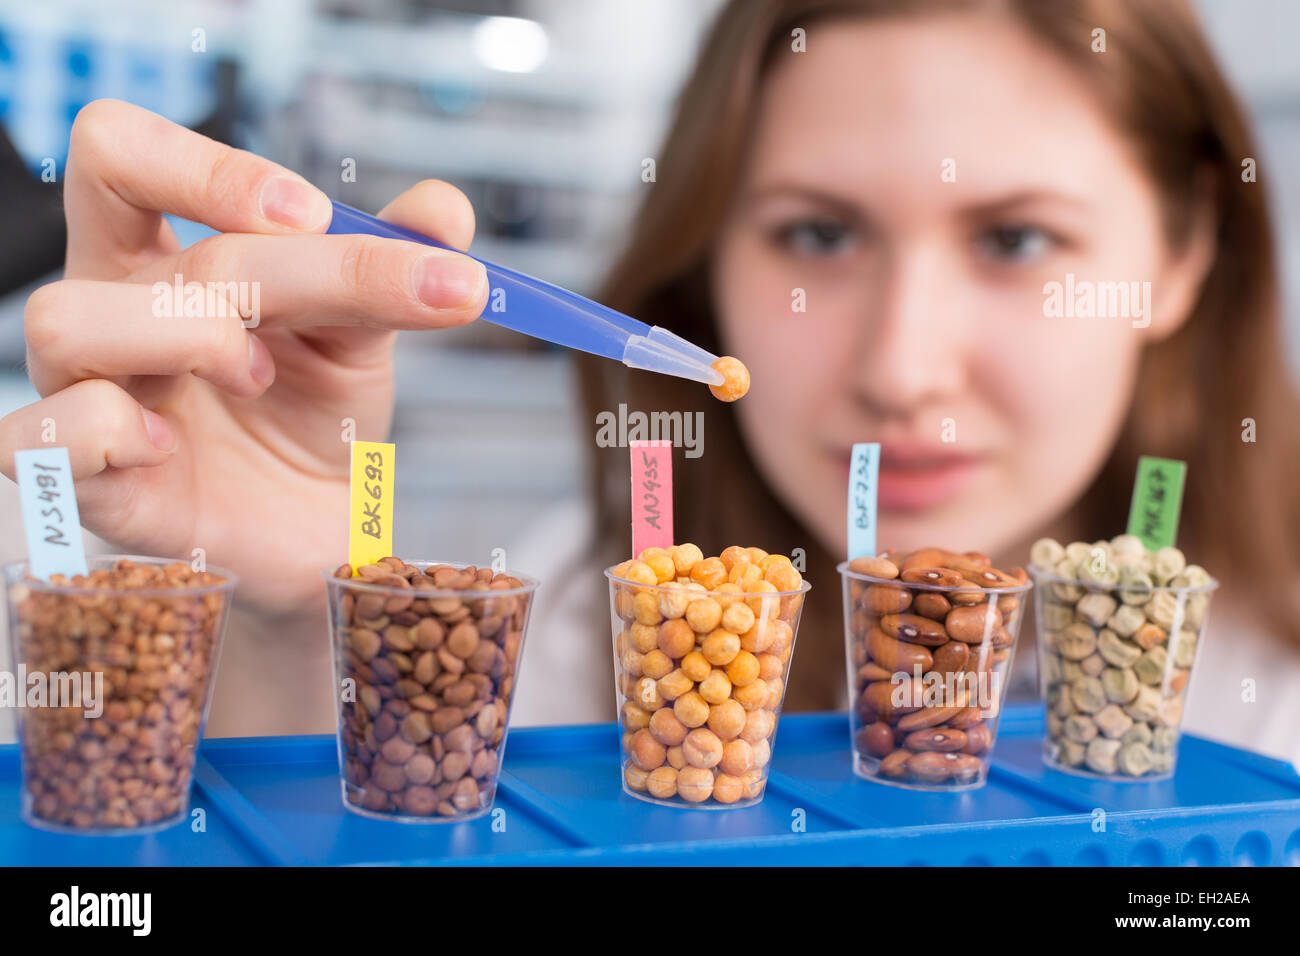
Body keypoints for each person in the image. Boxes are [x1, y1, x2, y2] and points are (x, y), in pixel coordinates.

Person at [2, 0, 1298, 762]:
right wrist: (287, 638)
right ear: (706, 260)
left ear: (1184, 249)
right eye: (817, 236)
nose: (905, 368)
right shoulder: (569, 658)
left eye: (1018, 241)